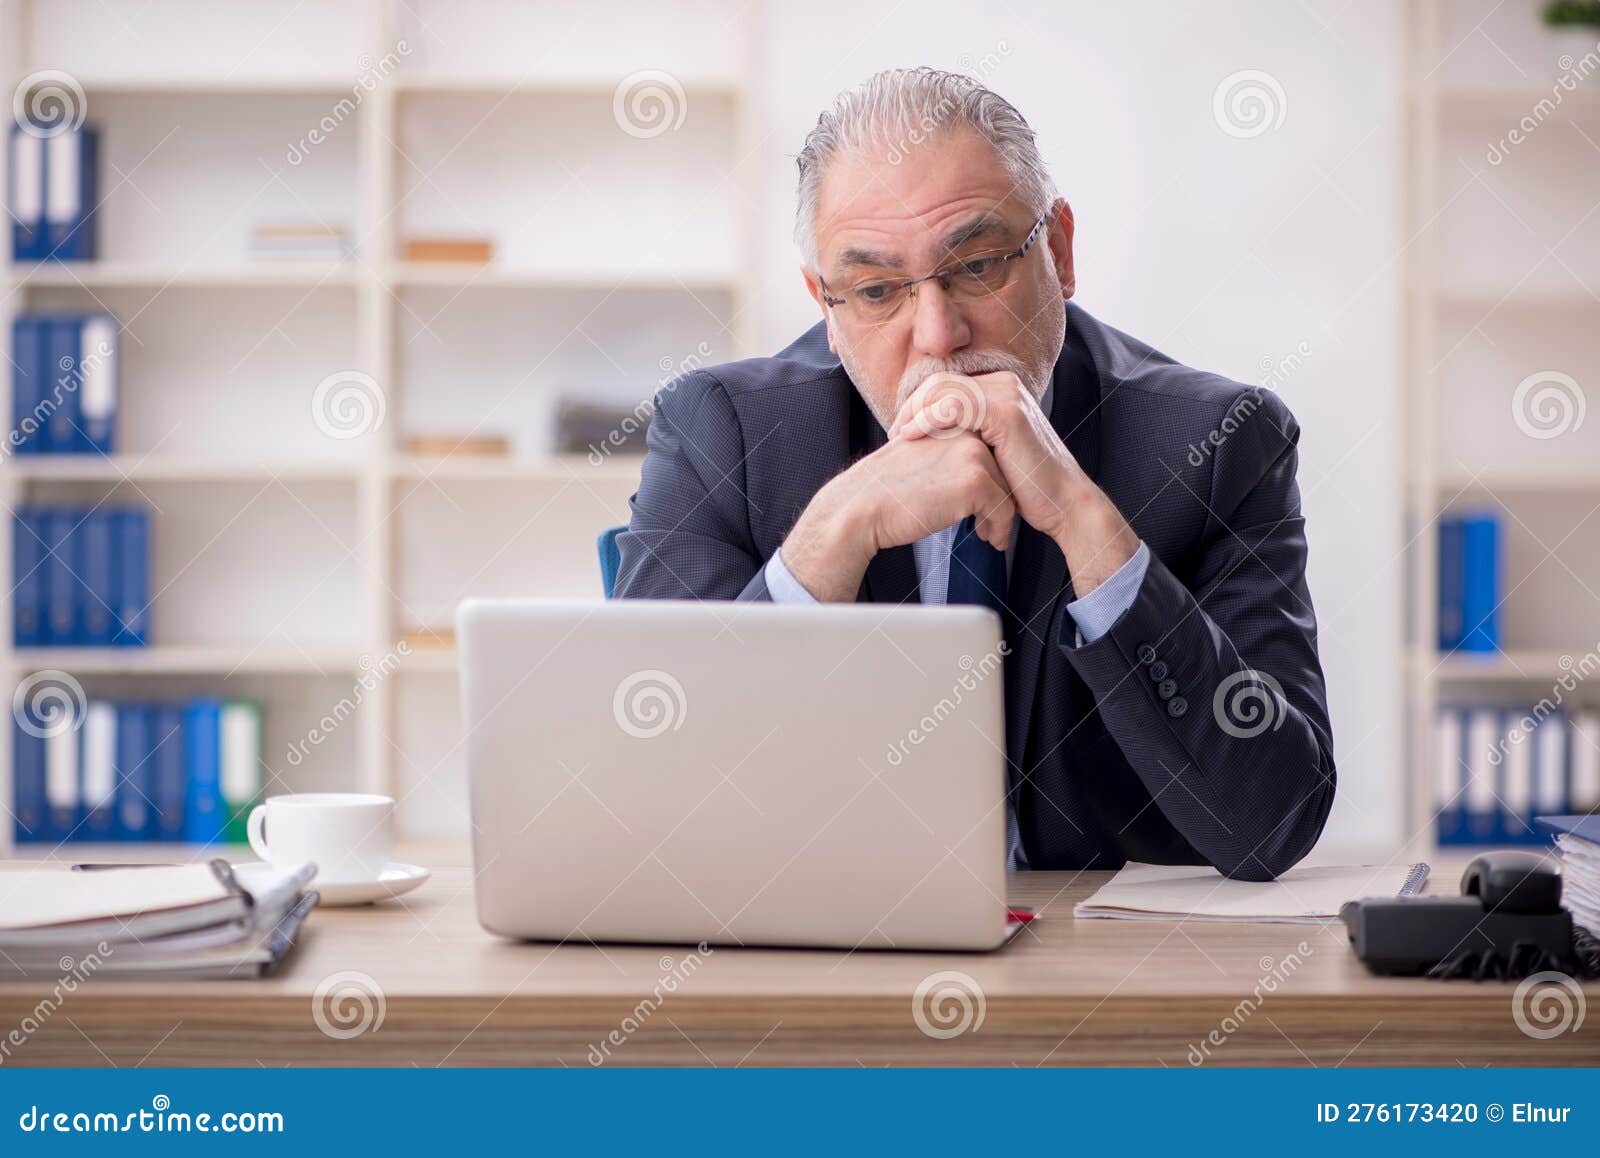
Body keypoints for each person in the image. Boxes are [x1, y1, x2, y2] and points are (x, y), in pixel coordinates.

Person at [615, 68, 1334, 881]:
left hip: (1100, 975)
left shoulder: (1219, 441)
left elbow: (1271, 823)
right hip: (823, 959)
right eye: (878, 289)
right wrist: (831, 535)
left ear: (1059, 253)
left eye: (979, 264)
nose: (938, 335)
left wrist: (1086, 525)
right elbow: (651, 799)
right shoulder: (723, 432)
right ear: (824, 301)